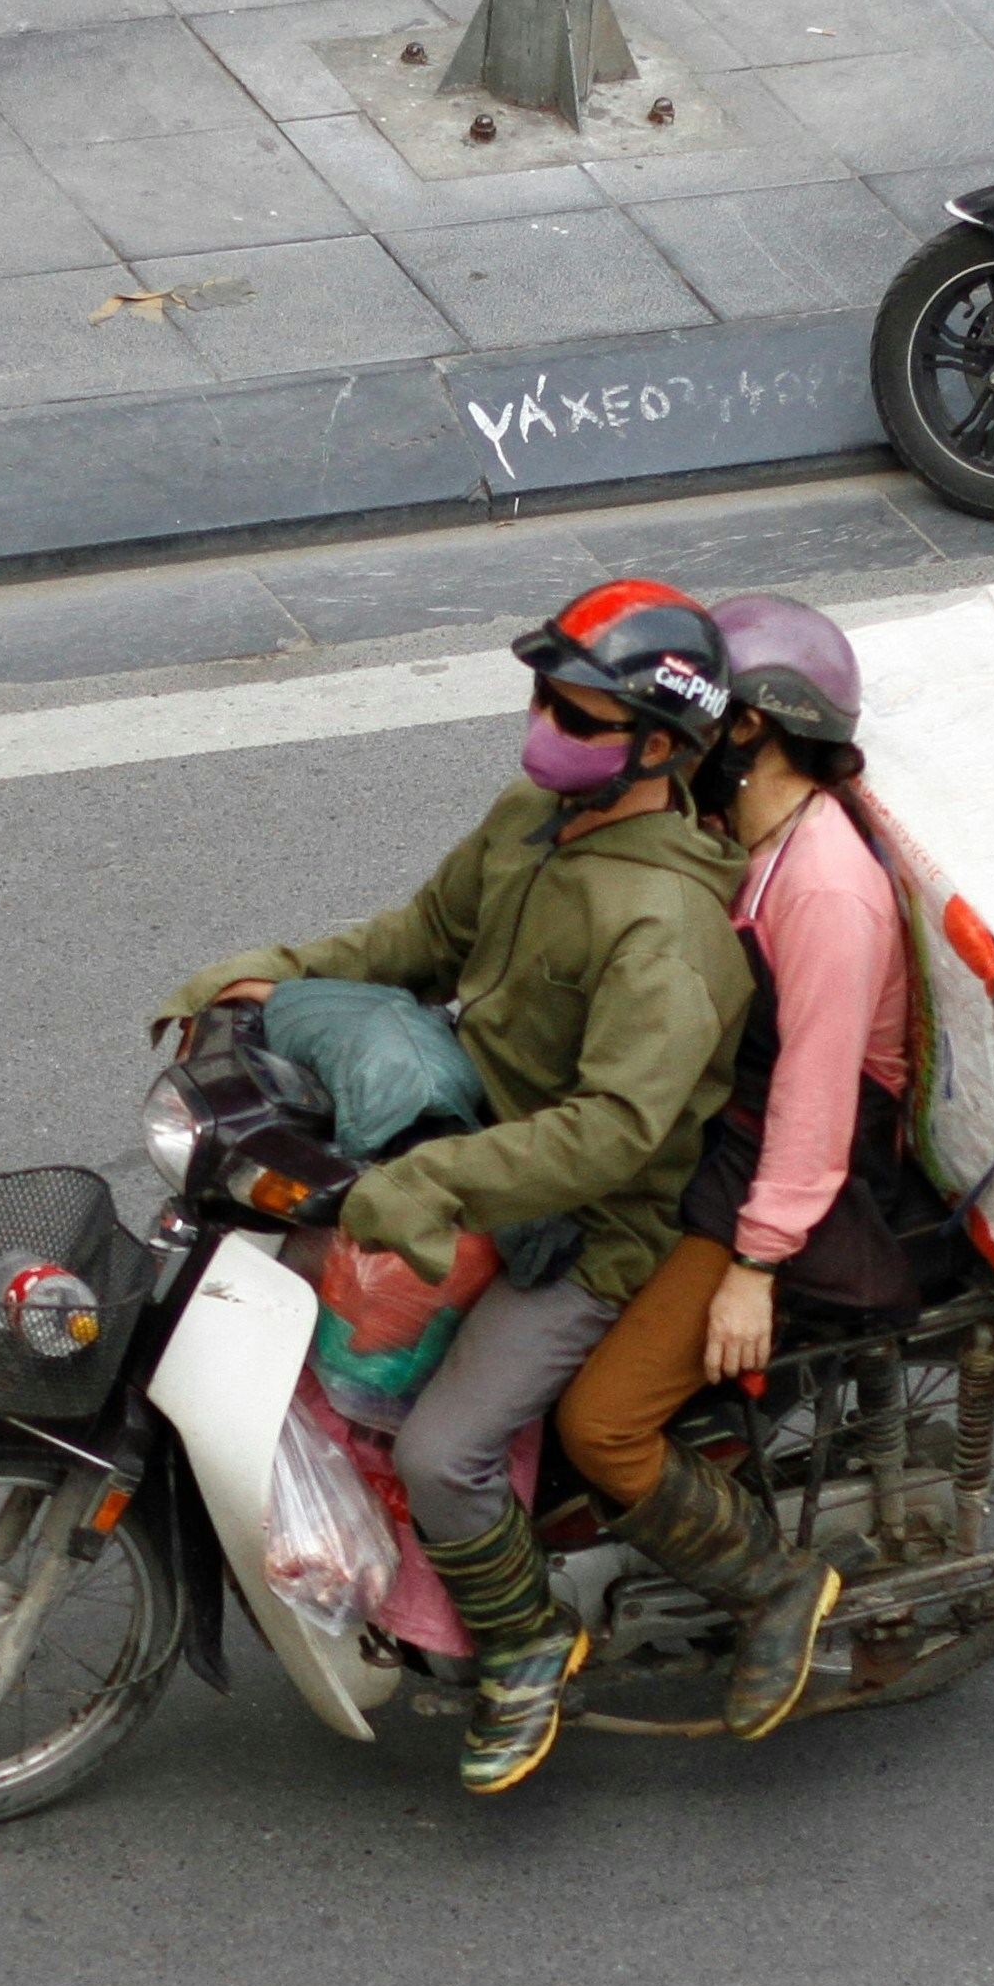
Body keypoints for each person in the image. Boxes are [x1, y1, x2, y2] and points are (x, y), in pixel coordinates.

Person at [162, 581, 754, 1797]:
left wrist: (432, 1182)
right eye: (546, 700)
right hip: (471, 1143)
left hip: (585, 1232)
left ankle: (527, 1642)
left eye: (578, 716)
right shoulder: (533, 819)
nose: (546, 728)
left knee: (440, 1452)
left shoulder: (667, 930)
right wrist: (270, 974)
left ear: (658, 747)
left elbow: (611, 1134)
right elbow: (418, 938)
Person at [553, 593, 930, 1741]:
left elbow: (814, 1099)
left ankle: (772, 1584)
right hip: (724, 1126)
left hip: (786, 1174)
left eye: (704, 718)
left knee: (603, 1424)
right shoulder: (748, 837)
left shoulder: (822, 888)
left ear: (754, 732)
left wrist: (755, 1264)